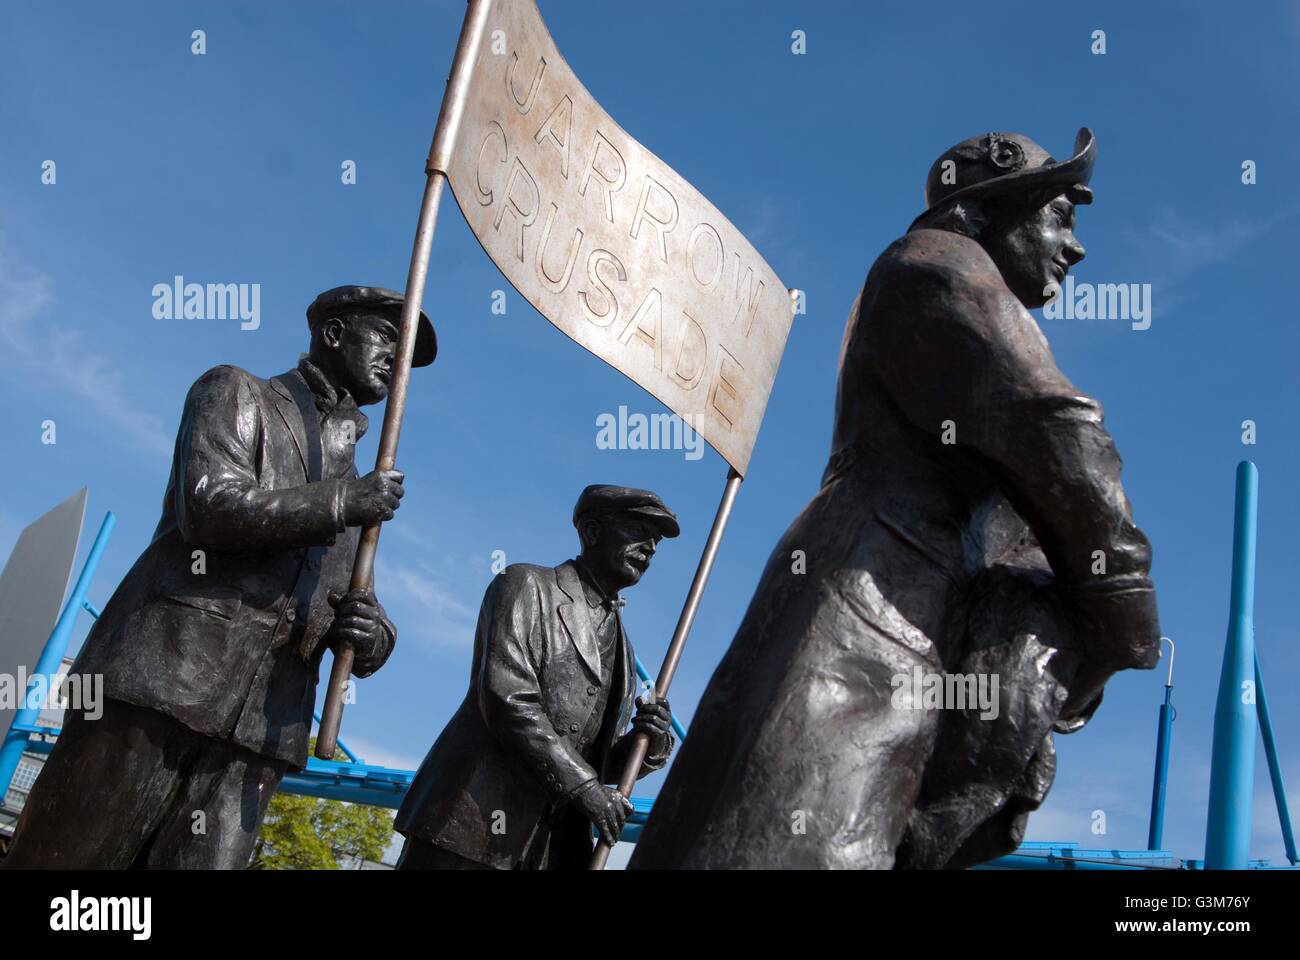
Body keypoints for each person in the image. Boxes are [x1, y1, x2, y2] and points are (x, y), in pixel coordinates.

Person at [630, 129, 1161, 870]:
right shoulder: (935, 266)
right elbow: (1059, 435)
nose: (1075, 248)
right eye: (1060, 215)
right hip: (867, 608)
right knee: (796, 844)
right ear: (982, 211)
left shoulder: (944, 280)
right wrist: (1125, 627)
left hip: (898, 600)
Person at [2, 285, 435, 869]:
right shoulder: (237, 392)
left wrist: (372, 634)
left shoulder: (360, 484)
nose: (395, 359)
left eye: (405, 352)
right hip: (162, 688)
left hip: (260, 733)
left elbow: (352, 600)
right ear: (334, 333)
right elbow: (209, 506)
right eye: (387, 337)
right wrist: (342, 503)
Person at [395, 485, 677, 869]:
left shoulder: (624, 648)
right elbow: (507, 698)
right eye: (638, 530)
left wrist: (650, 743)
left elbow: (593, 757)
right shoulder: (525, 585)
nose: (651, 548)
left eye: (656, 540)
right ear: (592, 531)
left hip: (548, 851)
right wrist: (585, 789)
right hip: (471, 825)